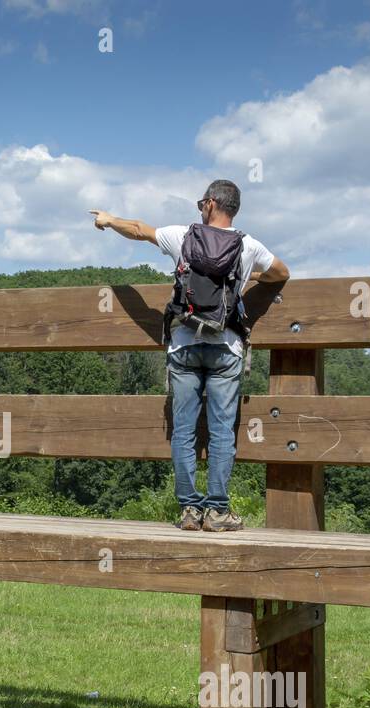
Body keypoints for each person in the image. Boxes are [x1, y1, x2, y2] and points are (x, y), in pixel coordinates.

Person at [90, 180, 289, 531]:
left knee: (183, 431)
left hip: (183, 343)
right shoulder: (249, 245)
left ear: (211, 204)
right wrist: (250, 274)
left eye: (202, 203)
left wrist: (108, 220)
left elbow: (138, 230)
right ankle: (217, 511)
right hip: (226, 346)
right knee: (222, 431)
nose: (200, 207)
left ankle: (189, 511)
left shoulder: (183, 236)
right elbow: (282, 273)